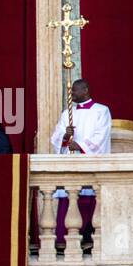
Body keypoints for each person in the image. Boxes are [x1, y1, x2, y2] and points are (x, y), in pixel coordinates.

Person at [49, 79, 110, 253]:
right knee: (67, 200)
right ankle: (62, 241)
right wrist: (64, 136)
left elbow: (101, 136)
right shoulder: (67, 113)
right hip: (70, 164)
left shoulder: (101, 111)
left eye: (75, 91)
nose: (72, 94)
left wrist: (81, 145)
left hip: (88, 163)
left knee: (87, 199)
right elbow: (56, 136)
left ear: (86, 90)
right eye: (71, 92)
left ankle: (86, 240)